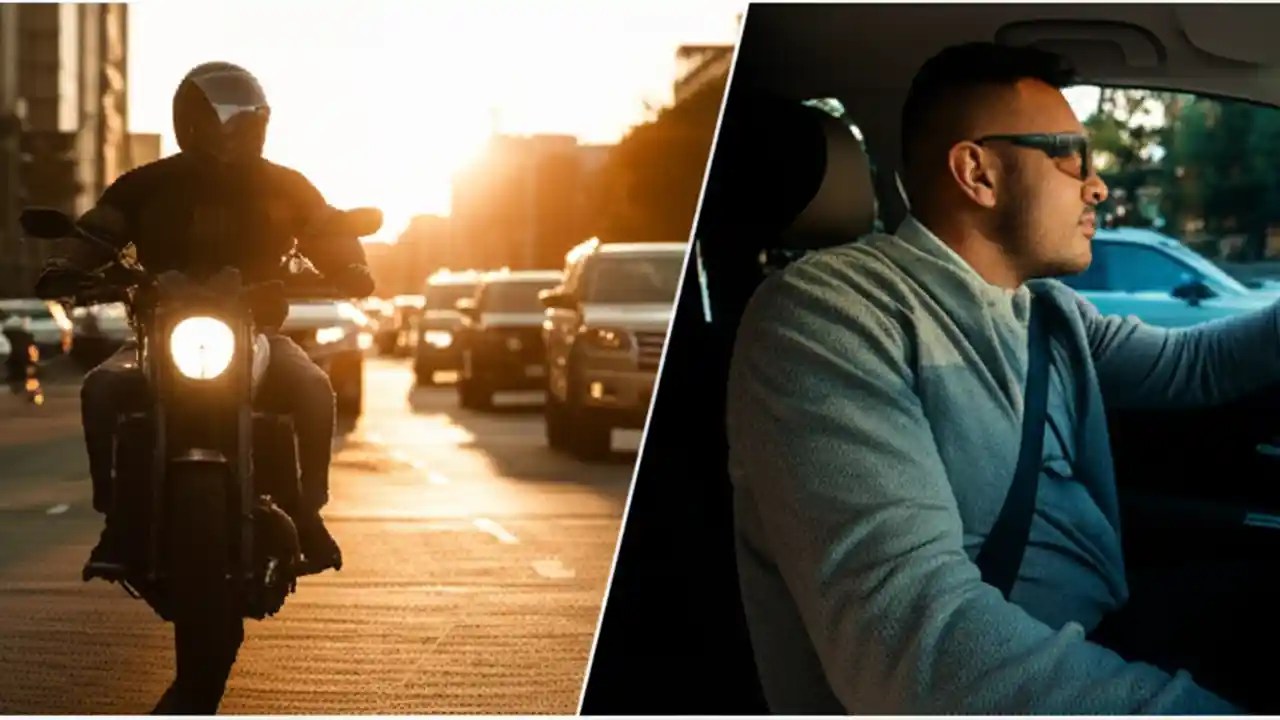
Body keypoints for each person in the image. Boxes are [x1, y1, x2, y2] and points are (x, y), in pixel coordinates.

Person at [726, 42, 1280, 715]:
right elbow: (919, 646)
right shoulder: (826, 316)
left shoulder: (1047, 310)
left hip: (1098, 626)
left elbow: (1199, 366)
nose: (1097, 186)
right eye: (1072, 156)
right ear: (977, 173)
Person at [34, 61, 375, 713]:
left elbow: (329, 230)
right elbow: (100, 230)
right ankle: (117, 522)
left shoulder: (287, 186)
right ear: (189, 121)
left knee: (311, 389)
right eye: (218, 118)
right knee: (102, 392)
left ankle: (308, 513)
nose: (230, 132)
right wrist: (68, 267)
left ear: (261, 124)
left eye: (242, 119)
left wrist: (352, 266)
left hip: (254, 336)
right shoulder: (147, 184)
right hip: (161, 337)